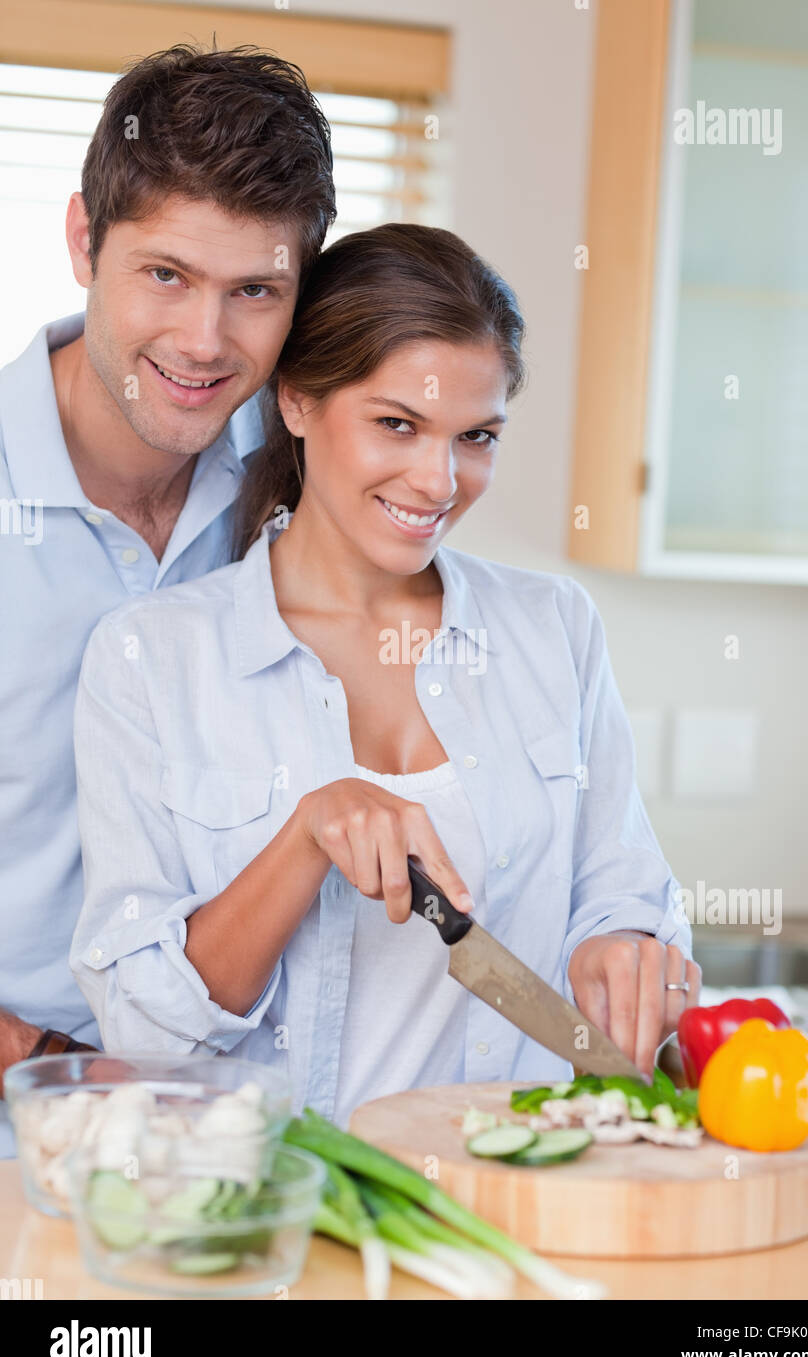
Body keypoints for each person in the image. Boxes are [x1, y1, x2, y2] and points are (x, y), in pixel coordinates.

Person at [70, 223, 699, 1126]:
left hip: (528, 1197)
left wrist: (626, 943)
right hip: (279, 1216)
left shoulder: (553, 628)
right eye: (396, 424)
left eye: (475, 436)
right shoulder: (152, 658)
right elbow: (145, 1037)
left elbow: (622, 885)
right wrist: (307, 836)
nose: (438, 480)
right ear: (296, 400)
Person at [0, 43, 336, 1150]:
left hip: (229, 1126)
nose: (204, 342)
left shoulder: (309, 487)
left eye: (254, 292)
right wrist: (40, 1062)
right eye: (165, 275)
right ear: (83, 241)